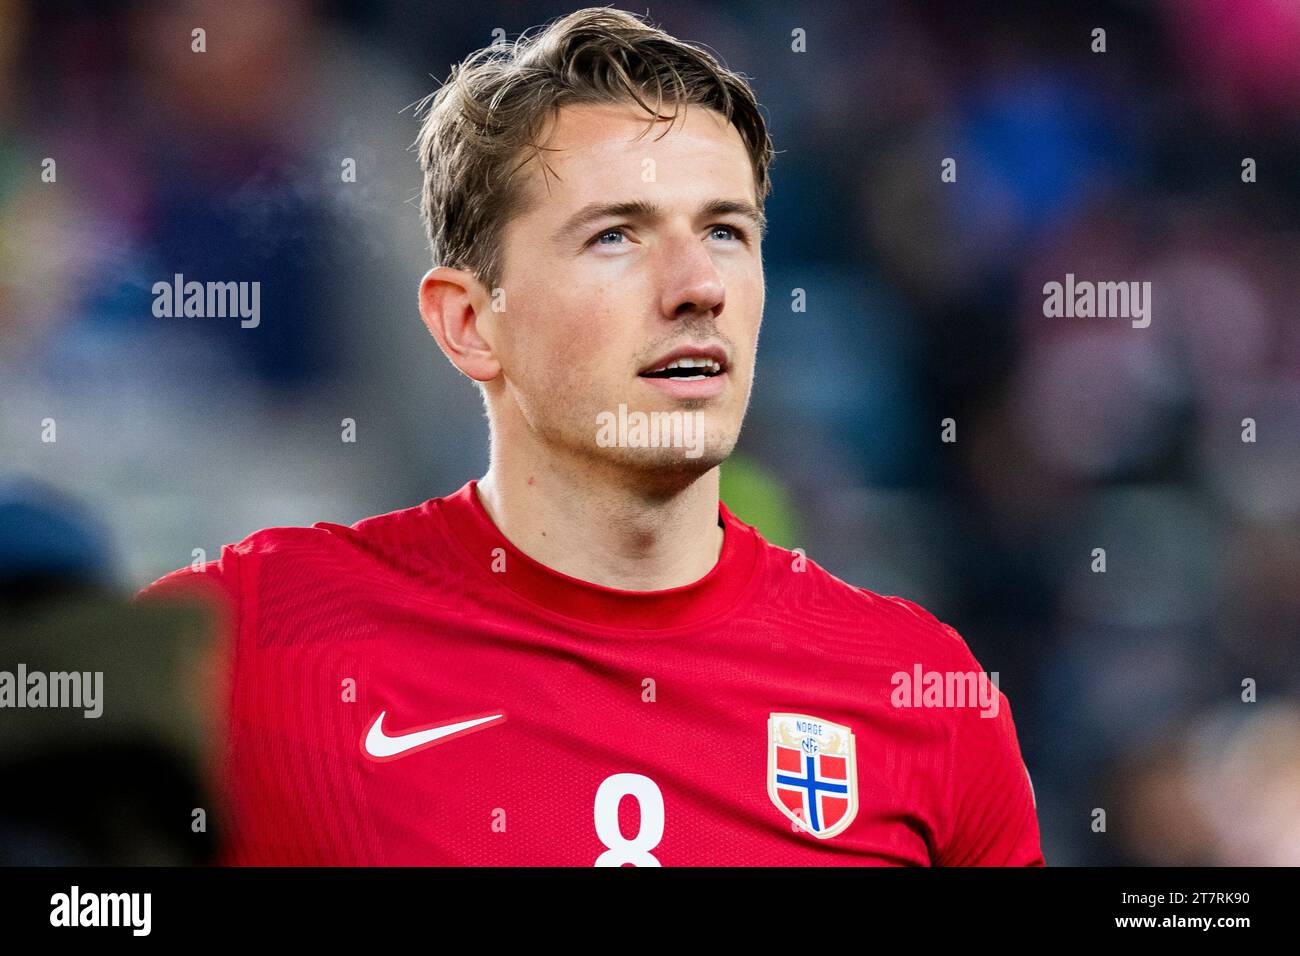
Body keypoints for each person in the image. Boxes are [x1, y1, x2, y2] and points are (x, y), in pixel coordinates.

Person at [138, 7, 1044, 866]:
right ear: (470, 324)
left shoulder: (922, 697)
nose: (699, 287)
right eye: (616, 236)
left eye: (726, 231)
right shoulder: (252, 644)